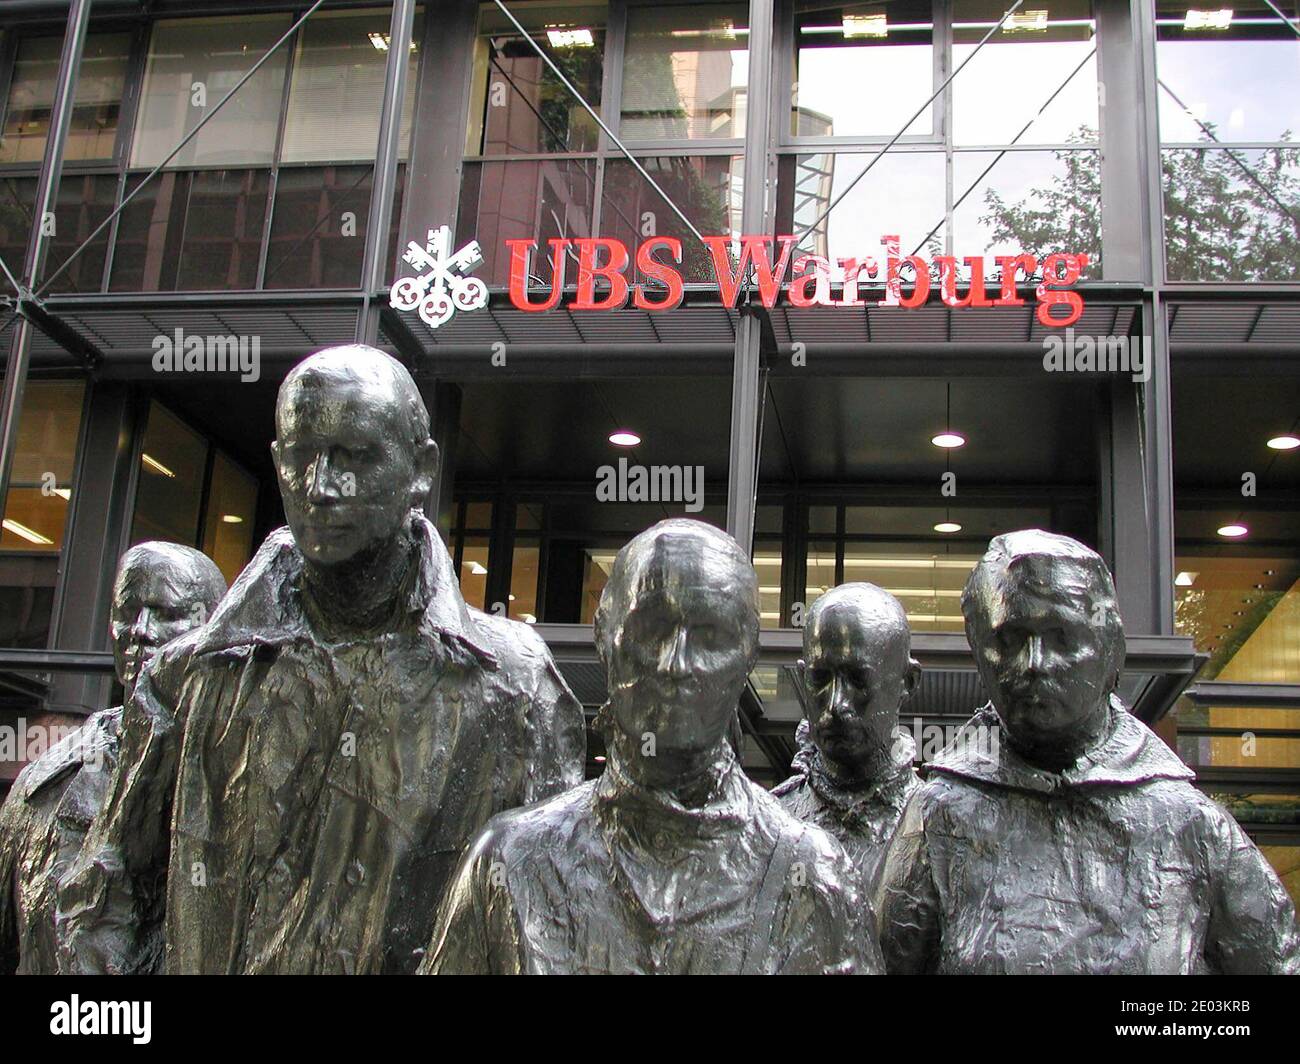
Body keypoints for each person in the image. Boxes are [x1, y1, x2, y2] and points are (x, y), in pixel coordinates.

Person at [57, 345, 585, 974]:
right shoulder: (187, 678)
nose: (320, 487)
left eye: (354, 457)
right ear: (278, 461)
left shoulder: (516, 684)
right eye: (301, 457)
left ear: (421, 468)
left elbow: (551, 917)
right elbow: (108, 896)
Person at [423, 519, 879, 974]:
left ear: (747, 658)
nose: (676, 665)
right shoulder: (509, 862)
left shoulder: (815, 879)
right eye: (653, 628)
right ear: (604, 637)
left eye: (710, 637)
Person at [878, 529, 1300, 974]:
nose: (1034, 663)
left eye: (1060, 636)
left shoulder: (1190, 825)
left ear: (1111, 648)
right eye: (1009, 639)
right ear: (979, 654)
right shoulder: (936, 816)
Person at [0, 543, 225, 974]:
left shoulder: (247, 778)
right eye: (128, 610)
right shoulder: (42, 788)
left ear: (214, 631)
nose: (140, 630)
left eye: (166, 613)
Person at [772, 583, 921, 900]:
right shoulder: (769, 822)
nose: (836, 704)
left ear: (907, 682)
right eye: (820, 679)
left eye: (858, 679)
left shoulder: (937, 824)